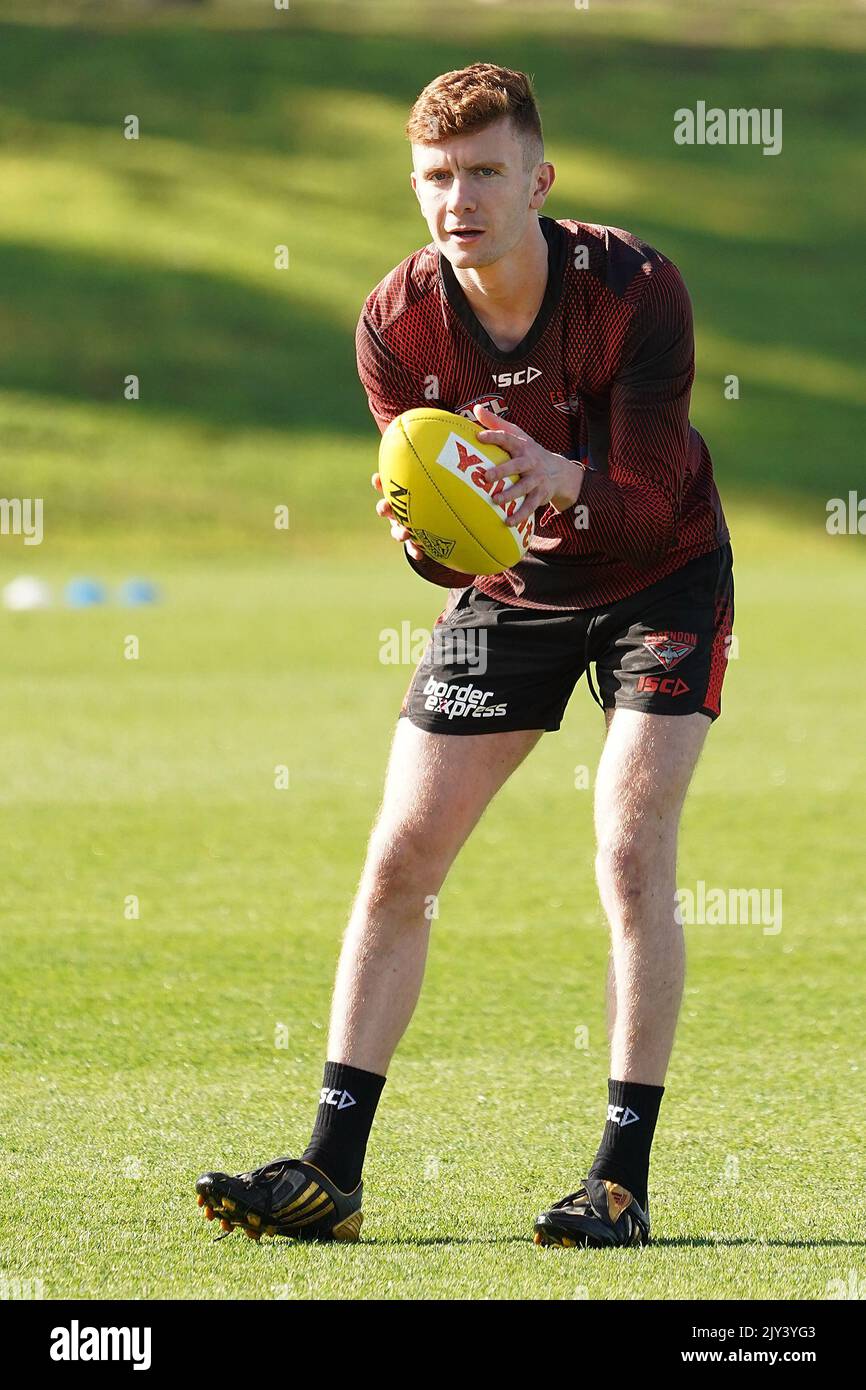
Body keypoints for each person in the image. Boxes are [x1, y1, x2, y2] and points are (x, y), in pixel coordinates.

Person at [196, 62, 733, 1249]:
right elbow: (443, 559)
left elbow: (646, 501)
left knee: (628, 842)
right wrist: (424, 543)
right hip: (515, 591)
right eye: (437, 175)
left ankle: (617, 1180)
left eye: (485, 171)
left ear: (536, 181)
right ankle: (329, 1169)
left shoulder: (634, 290)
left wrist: (564, 482)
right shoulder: (396, 327)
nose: (459, 196)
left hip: (661, 575)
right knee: (400, 858)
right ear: (414, 186)